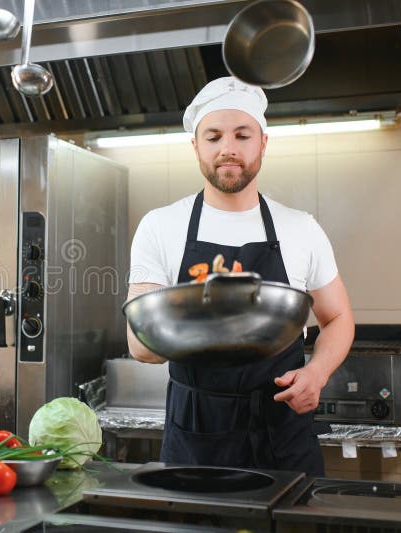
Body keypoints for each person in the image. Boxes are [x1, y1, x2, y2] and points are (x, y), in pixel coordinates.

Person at [126, 77, 354, 476]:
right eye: (213, 136)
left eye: (242, 135)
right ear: (196, 146)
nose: (228, 148)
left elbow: (338, 318)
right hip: (197, 435)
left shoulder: (300, 228)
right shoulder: (160, 226)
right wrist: (206, 327)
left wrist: (316, 375)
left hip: (282, 429)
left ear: (262, 143)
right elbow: (140, 344)